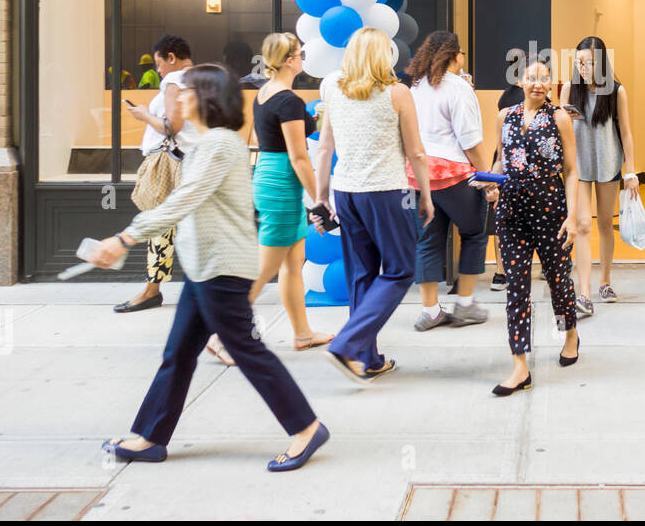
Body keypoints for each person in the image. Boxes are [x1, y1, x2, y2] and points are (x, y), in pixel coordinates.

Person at [91, 64, 329, 472]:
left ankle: (306, 428)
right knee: (179, 353)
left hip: (222, 269)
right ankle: (151, 437)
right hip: (204, 269)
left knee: (248, 352)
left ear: (205, 98)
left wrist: (125, 238)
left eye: (187, 91)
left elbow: (185, 199)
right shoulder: (208, 143)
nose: (179, 97)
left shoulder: (219, 145)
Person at [313, 27, 435, 383]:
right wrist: (426, 195)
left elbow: (324, 149)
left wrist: (321, 198)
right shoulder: (398, 93)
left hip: (346, 194)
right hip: (386, 192)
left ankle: (366, 360)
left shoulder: (335, 92)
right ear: (385, 56)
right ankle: (347, 344)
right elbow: (416, 152)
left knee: (361, 274)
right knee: (400, 270)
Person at [482, 59, 579, 395]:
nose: (538, 83)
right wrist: (491, 183)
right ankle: (519, 366)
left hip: (550, 208)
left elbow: (571, 170)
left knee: (558, 281)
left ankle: (569, 333)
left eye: (544, 78)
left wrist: (572, 216)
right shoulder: (504, 116)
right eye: (532, 77)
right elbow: (501, 160)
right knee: (516, 288)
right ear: (520, 81)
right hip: (512, 211)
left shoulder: (559, 117)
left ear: (550, 84)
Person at [404, 31, 494, 331]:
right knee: (474, 233)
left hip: (419, 175)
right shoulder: (458, 88)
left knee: (427, 241)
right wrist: (487, 178)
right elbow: (470, 141)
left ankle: (430, 311)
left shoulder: (416, 87)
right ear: (456, 56)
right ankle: (465, 305)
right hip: (454, 174)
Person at [248, 32, 333, 349]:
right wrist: (320, 200)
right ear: (289, 60)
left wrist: (310, 120)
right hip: (282, 184)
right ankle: (220, 334)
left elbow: (270, 140)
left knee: (292, 262)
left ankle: (302, 333)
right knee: (265, 268)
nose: (303, 60)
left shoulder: (264, 94)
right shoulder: (289, 101)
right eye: (300, 55)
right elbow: (298, 157)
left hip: (270, 176)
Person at [116, 34, 199, 314]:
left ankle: (152, 291)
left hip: (173, 164)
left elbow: (171, 126)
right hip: (193, 162)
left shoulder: (175, 80)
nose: (158, 70)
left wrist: (143, 115)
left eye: (159, 63)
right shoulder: (200, 79)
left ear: (171, 58)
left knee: (160, 226)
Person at [559, 36, 638, 315]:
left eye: (589, 62)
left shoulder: (616, 91)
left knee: (605, 223)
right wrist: (563, 118)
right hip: (578, 167)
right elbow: (559, 132)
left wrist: (631, 172)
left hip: (608, 164)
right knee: (582, 225)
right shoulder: (569, 89)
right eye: (579, 62)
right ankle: (584, 293)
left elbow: (626, 133)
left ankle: (605, 282)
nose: (583, 68)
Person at [487, 81, 526, 292]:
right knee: (500, 213)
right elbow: (500, 153)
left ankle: (505, 271)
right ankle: (501, 271)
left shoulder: (540, 100)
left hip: (529, 163)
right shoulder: (509, 98)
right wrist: (493, 181)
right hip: (506, 160)